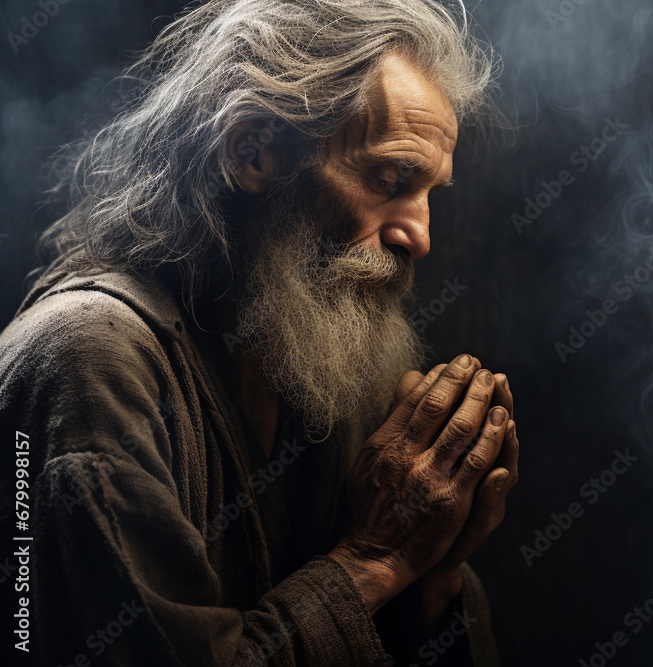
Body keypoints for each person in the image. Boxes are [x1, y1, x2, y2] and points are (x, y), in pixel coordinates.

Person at [0, 1, 519, 664]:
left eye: (428, 195)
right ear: (251, 152)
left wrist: (435, 561)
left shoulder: (315, 362)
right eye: (390, 180)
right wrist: (377, 558)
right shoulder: (90, 360)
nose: (418, 236)